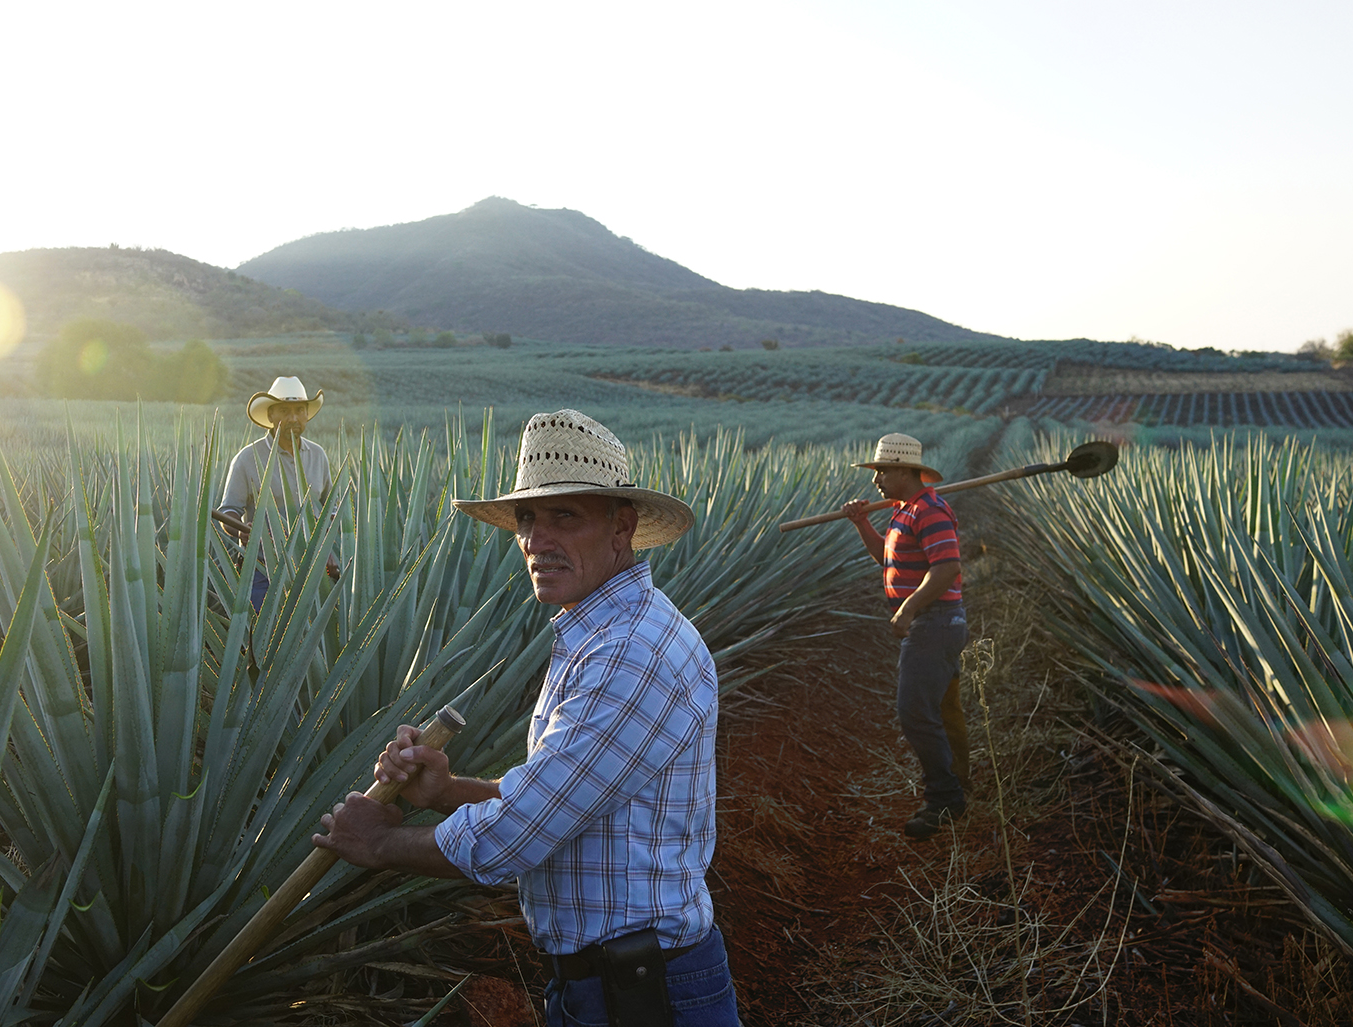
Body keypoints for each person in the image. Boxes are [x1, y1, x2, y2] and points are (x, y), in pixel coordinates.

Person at [313, 409, 741, 1027]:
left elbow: (516, 835)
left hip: (646, 998)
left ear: (622, 528)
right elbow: (568, 805)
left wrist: (377, 843)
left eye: (564, 515)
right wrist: (445, 792)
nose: (538, 540)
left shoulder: (631, 652)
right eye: (526, 518)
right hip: (611, 987)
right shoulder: (601, 636)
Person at [839, 433, 970, 840]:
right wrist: (862, 523)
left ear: (903, 470)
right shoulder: (904, 510)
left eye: (881, 471)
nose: (875, 479)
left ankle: (943, 800)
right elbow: (888, 558)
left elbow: (946, 568)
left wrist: (909, 607)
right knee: (944, 710)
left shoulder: (929, 510)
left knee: (915, 712)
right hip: (933, 623)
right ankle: (959, 785)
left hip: (935, 623)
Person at [216, 375, 337, 610]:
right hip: (263, 570)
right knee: (261, 641)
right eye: (284, 411)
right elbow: (228, 511)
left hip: (312, 569)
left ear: (307, 415)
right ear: (271, 415)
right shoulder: (247, 458)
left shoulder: (317, 455)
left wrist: (328, 547)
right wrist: (241, 529)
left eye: (300, 410)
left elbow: (330, 507)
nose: (293, 418)